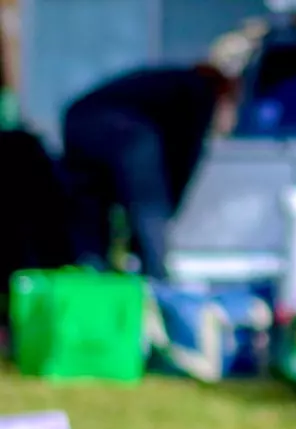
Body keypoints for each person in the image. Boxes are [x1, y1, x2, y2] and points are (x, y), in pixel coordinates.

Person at [59, 26, 257, 282]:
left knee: (92, 206)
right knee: (150, 207)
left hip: (76, 122)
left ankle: (90, 271)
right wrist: (167, 212)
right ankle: (158, 282)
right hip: (120, 129)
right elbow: (185, 157)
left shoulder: (175, 82)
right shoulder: (199, 92)